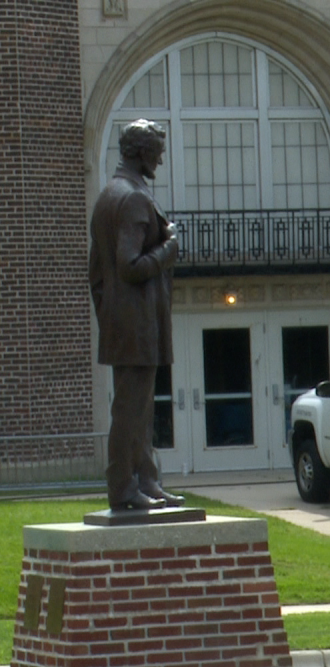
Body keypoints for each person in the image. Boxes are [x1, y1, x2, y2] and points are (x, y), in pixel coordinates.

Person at [89, 119, 184, 511]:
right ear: (142, 152)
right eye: (157, 152)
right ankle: (123, 487)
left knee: (140, 408)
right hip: (137, 322)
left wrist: (108, 316)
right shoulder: (132, 199)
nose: (160, 160)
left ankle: (146, 480)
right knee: (130, 410)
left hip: (125, 322)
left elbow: (96, 273)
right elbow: (128, 266)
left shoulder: (109, 195)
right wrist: (168, 250)